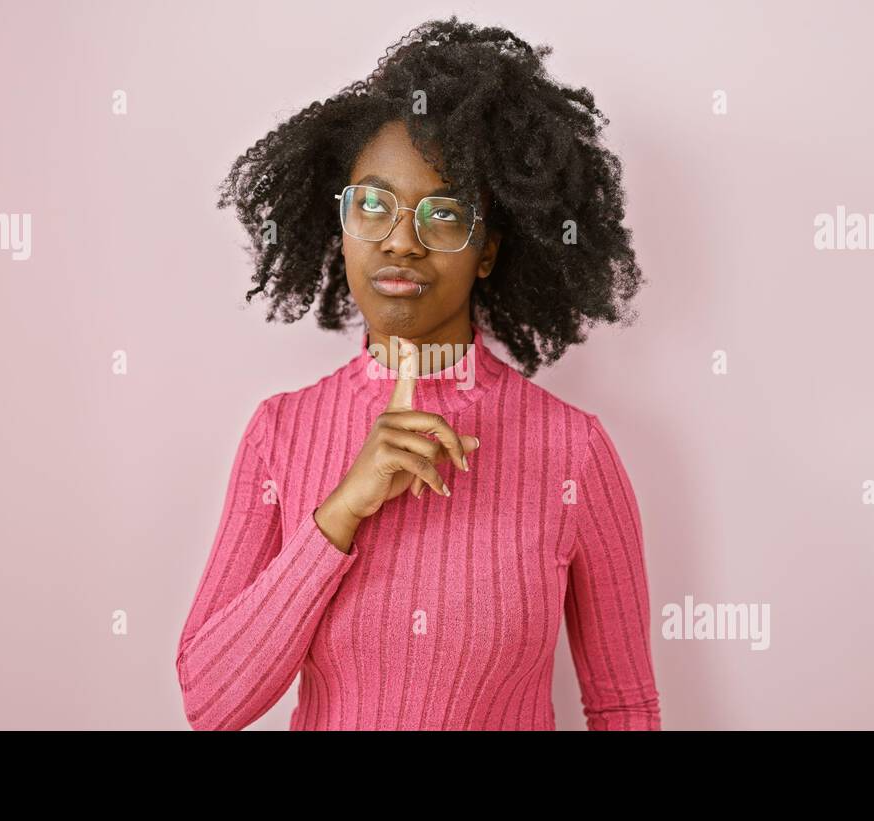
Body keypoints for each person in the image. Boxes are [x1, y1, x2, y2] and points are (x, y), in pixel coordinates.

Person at [176, 17, 659, 730]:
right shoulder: (280, 433)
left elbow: (624, 707)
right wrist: (340, 512)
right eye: (372, 205)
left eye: (443, 214)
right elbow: (209, 702)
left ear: (487, 250)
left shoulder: (574, 452)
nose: (400, 238)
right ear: (339, 226)